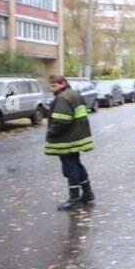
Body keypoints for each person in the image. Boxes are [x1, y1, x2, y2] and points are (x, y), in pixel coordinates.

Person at [46, 74, 94, 210]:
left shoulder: (62, 98)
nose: (52, 89)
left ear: (63, 84)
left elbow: (62, 120)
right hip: (77, 137)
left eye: (54, 85)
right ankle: (87, 194)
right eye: (51, 85)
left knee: (70, 168)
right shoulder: (74, 94)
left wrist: (51, 133)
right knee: (77, 165)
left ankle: (74, 199)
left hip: (67, 139)